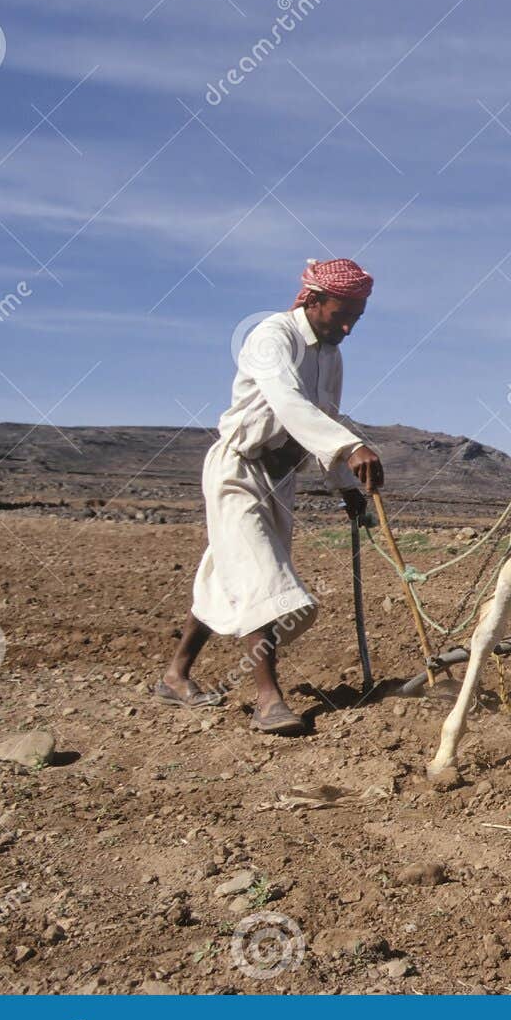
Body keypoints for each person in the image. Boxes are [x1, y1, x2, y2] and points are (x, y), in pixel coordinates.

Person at [156, 258, 385, 735]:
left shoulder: (331, 356)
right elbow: (288, 402)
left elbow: (324, 416)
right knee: (262, 578)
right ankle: (268, 700)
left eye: (356, 318)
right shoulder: (271, 336)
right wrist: (349, 447)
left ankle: (175, 675)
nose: (347, 326)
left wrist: (346, 487)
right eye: (341, 314)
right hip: (238, 469)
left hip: (280, 479)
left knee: (230, 576)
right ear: (315, 300)